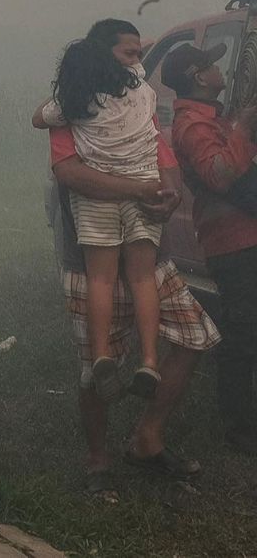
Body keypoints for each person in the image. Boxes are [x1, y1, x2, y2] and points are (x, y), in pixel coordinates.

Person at [49, 127, 218, 499]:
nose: (133, 66)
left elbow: (166, 162)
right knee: (97, 367)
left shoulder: (137, 108)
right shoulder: (73, 106)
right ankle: (97, 460)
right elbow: (69, 173)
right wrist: (141, 189)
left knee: (195, 336)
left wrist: (170, 195)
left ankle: (147, 438)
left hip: (150, 258)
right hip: (89, 266)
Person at [34, 20, 179, 400]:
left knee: (100, 279)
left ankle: (101, 356)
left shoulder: (76, 100)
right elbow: (137, 70)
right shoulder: (143, 91)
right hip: (145, 189)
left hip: (96, 199)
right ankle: (149, 360)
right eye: (131, 54)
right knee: (143, 279)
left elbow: (39, 118)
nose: (137, 59)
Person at [163, 42, 257, 453]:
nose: (221, 70)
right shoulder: (192, 126)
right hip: (234, 242)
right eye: (213, 65)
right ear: (199, 77)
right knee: (242, 334)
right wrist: (242, 129)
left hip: (243, 236)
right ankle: (241, 430)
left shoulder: (211, 119)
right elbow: (219, 175)